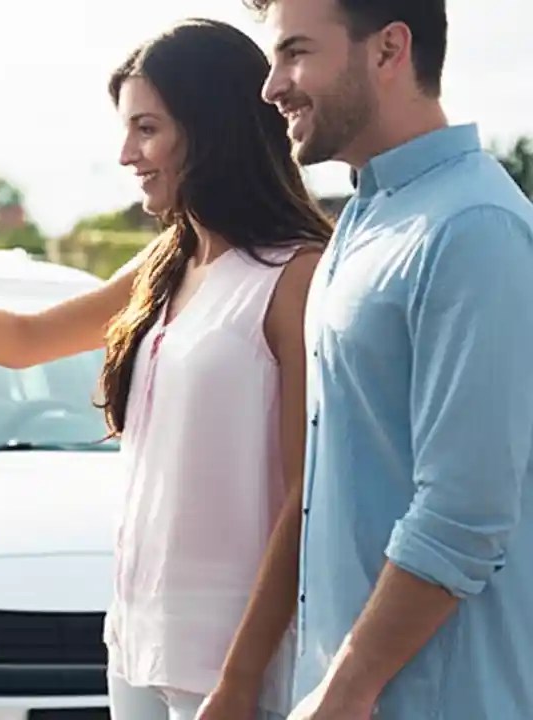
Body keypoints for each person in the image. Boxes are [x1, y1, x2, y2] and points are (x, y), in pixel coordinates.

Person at [0, 18, 332, 720]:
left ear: (211, 127)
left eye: (147, 129)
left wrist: (243, 676)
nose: (127, 154)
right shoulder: (170, 262)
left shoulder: (295, 275)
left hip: (234, 665)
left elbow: (302, 498)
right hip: (135, 643)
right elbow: (24, 339)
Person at [246, 1, 533, 718]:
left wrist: (345, 691)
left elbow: (463, 511)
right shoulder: (369, 215)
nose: (272, 86)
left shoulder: (474, 228)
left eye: (295, 53)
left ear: (388, 49)